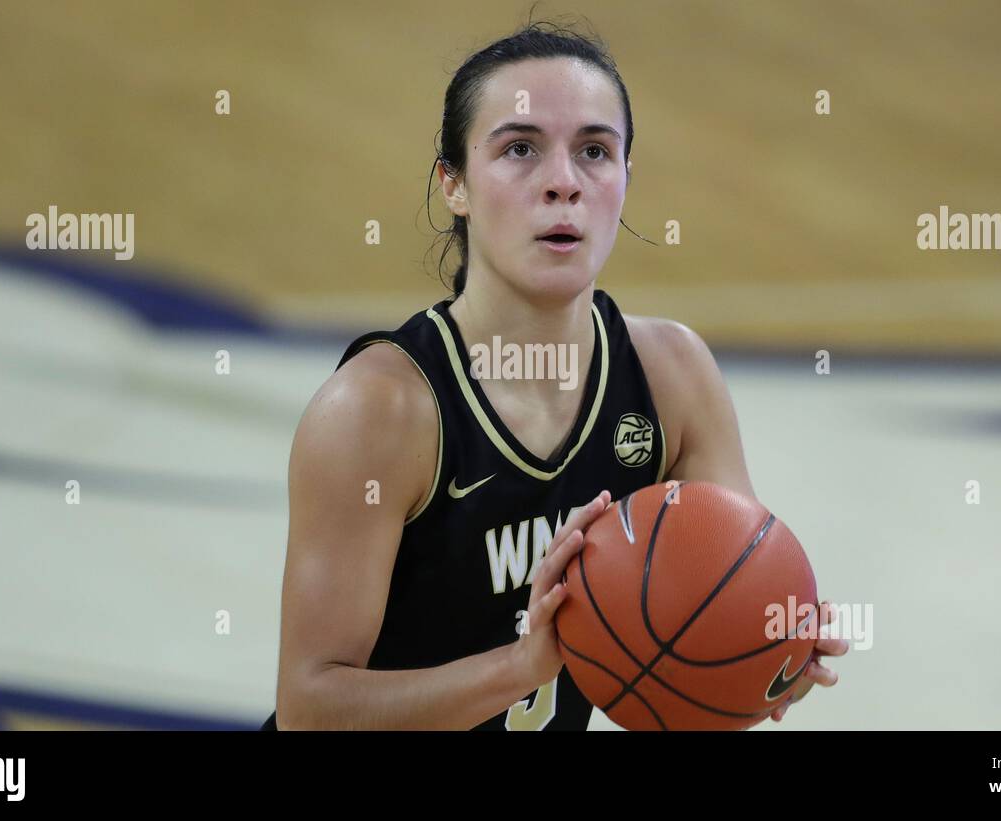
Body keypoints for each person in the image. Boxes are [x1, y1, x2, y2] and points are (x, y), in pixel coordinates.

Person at [263, 19, 846, 731]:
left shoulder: (673, 375)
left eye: (595, 151)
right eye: (519, 149)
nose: (563, 184)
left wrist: (773, 649)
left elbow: (727, 607)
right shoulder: (380, 410)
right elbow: (310, 710)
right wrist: (523, 664)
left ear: (628, 177)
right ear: (454, 184)